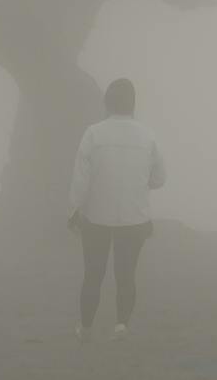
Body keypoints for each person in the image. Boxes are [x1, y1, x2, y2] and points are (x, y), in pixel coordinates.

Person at [68, 77, 165, 332]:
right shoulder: (148, 135)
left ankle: (86, 327)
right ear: (133, 104)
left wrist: (75, 209)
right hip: (135, 217)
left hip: (96, 216)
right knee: (126, 274)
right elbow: (159, 178)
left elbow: (81, 180)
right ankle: (121, 324)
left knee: (93, 273)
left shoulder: (93, 133)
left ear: (106, 103)